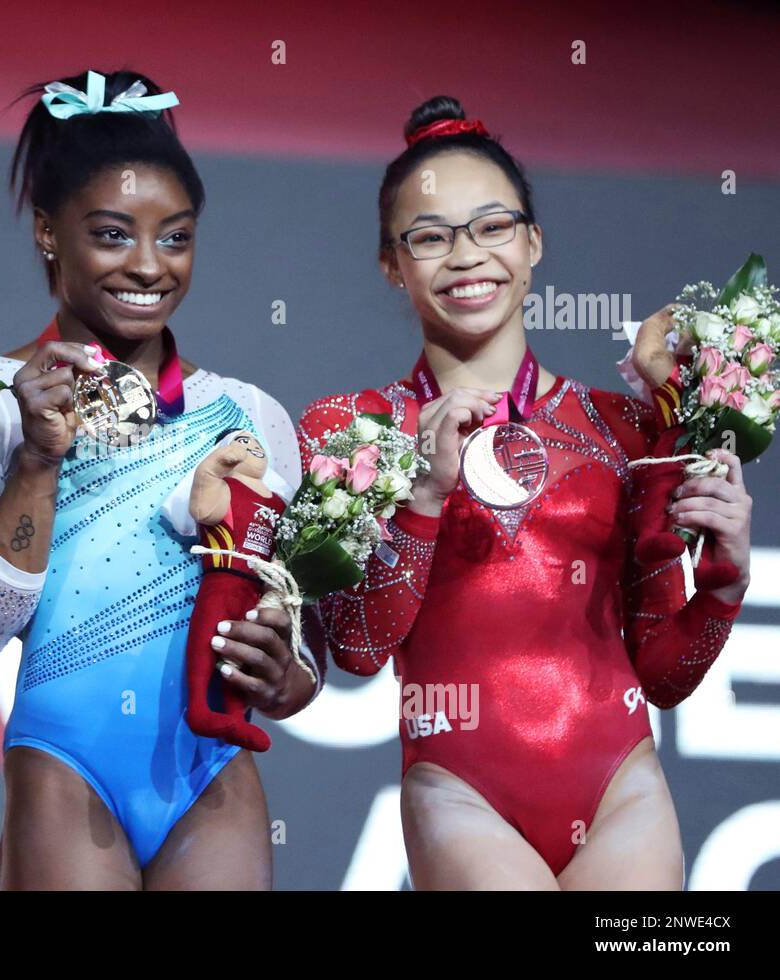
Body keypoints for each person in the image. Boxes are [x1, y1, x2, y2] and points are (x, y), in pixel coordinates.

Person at [296, 95, 752, 890]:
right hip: (458, 792)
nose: (468, 255)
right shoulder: (355, 429)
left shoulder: (625, 428)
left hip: (622, 789)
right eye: (431, 237)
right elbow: (359, 650)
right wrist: (424, 494)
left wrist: (724, 583)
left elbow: (664, 675)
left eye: (494, 226)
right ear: (390, 262)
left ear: (534, 242)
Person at [0, 69, 323, 889]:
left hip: (213, 775)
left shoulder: (248, 415)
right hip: (67, 770)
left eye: (174, 237)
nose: (149, 266)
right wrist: (38, 457)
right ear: (46, 232)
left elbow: (303, 644)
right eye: (112, 234)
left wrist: (289, 675)